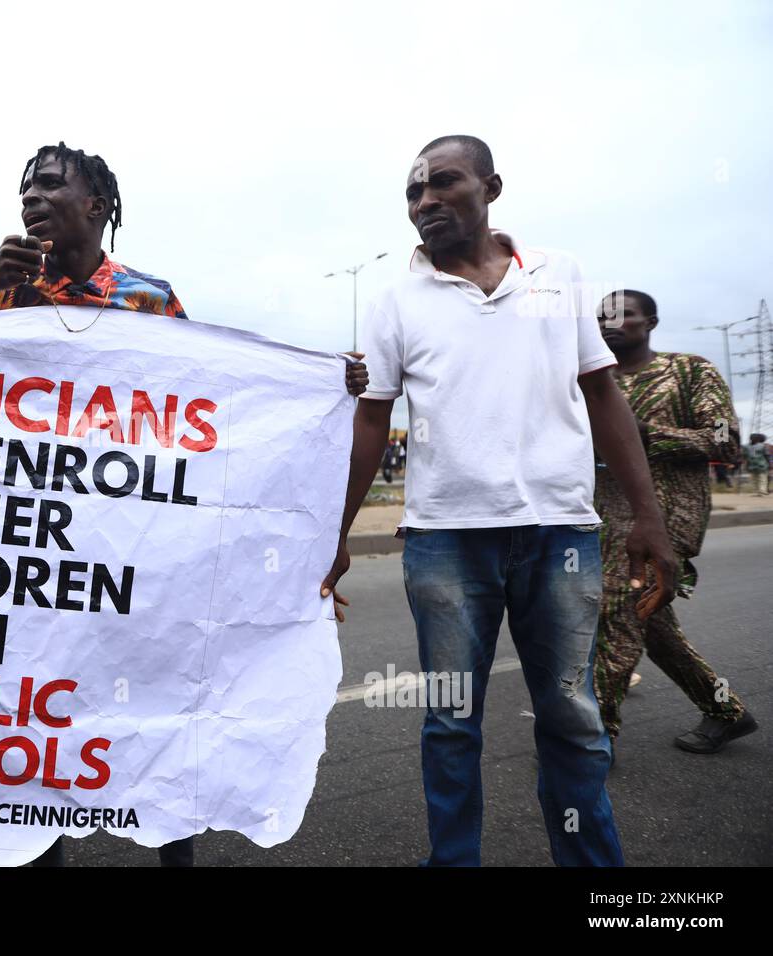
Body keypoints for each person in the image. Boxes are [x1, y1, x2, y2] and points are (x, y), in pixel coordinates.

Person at [0, 141, 368, 866]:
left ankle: (173, 849)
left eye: (49, 187)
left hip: (130, 547)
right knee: (34, 722)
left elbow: (215, 405)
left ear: (97, 208)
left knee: (157, 707)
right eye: (26, 190)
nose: (31, 199)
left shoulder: (148, 300)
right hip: (35, 554)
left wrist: (320, 387)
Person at [320, 135, 678, 867]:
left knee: (573, 720)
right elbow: (370, 419)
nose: (424, 203)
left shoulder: (561, 275)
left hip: (560, 534)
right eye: (413, 194)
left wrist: (648, 516)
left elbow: (602, 390)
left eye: (442, 183)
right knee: (451, 723)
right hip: (445, 541)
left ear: (492, 186)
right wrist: (337, 530)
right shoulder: (393, 300)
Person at [592, 290, 756, 755]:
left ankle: (594, 738)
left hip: (666, 518)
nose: (611, 322)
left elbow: (725, 442)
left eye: (625, 314)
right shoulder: (591, 379)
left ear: (652, 322)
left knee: (618, 612)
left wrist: (644, 436)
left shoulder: (689, 370)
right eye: (602, 315)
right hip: (601, 516)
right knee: (653, 625)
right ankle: (725, 710)